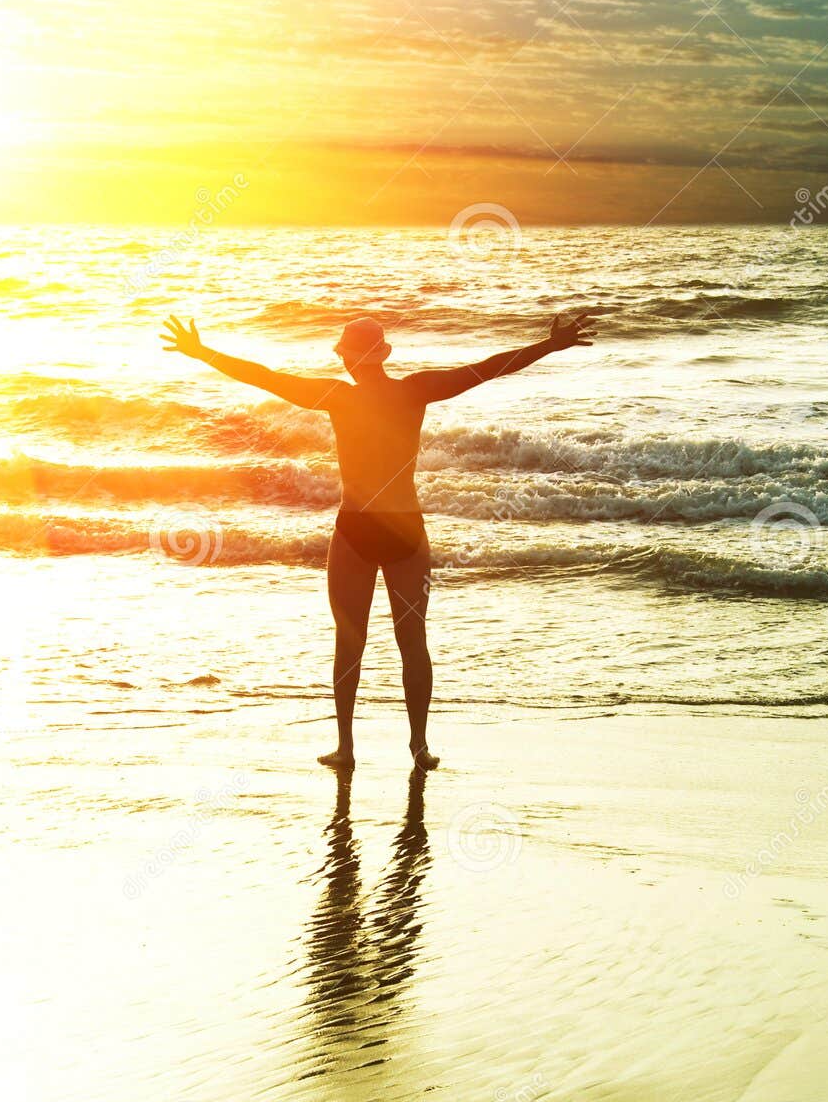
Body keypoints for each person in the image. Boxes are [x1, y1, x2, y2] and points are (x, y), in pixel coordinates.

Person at [159, 309, 596, 770]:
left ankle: (346, 748)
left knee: (350, 642)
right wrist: (548, 345)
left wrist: (202, 352)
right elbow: (485, 370)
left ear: (348, 358)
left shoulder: (337, 396)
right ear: (382, 355)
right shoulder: (415, 390)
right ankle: (419, 746)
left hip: (355, 530)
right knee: (413, 640)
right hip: (406, 528)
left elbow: (264, 377)